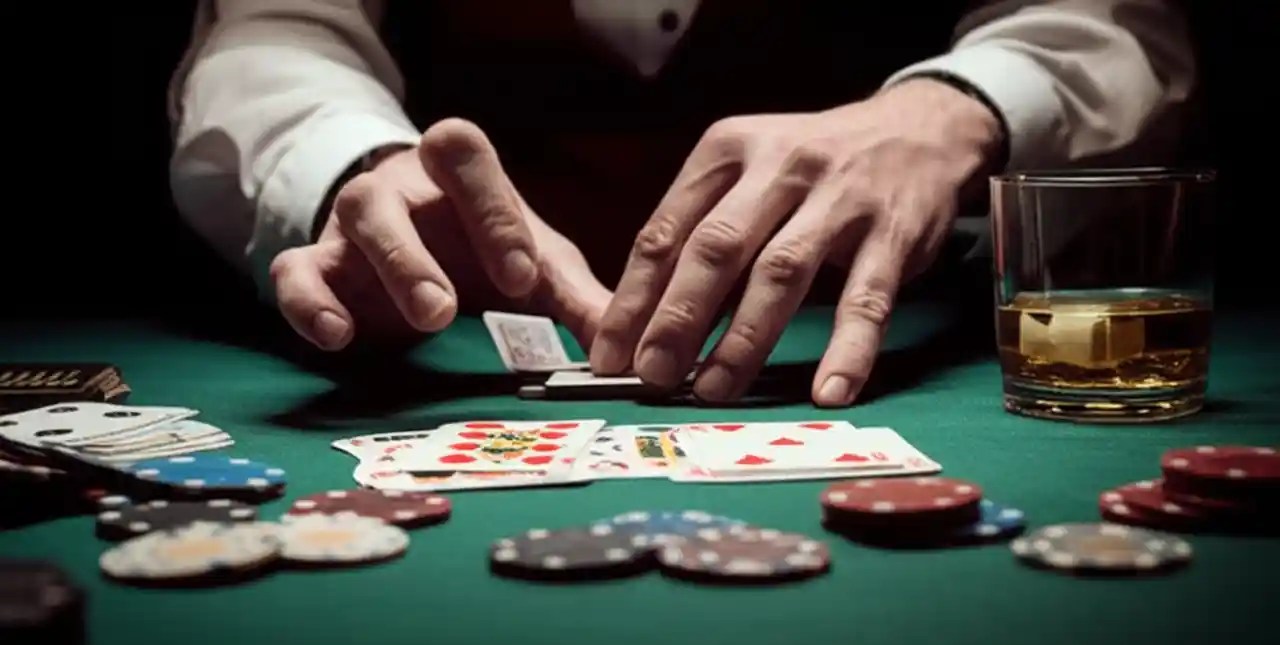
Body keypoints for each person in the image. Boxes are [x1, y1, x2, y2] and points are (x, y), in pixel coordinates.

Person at [168, 0, 1195, 406]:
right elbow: (274, 31)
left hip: (890, 309)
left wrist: (948, 112)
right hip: (463, 314)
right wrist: (348, 167)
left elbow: (1102, 23)